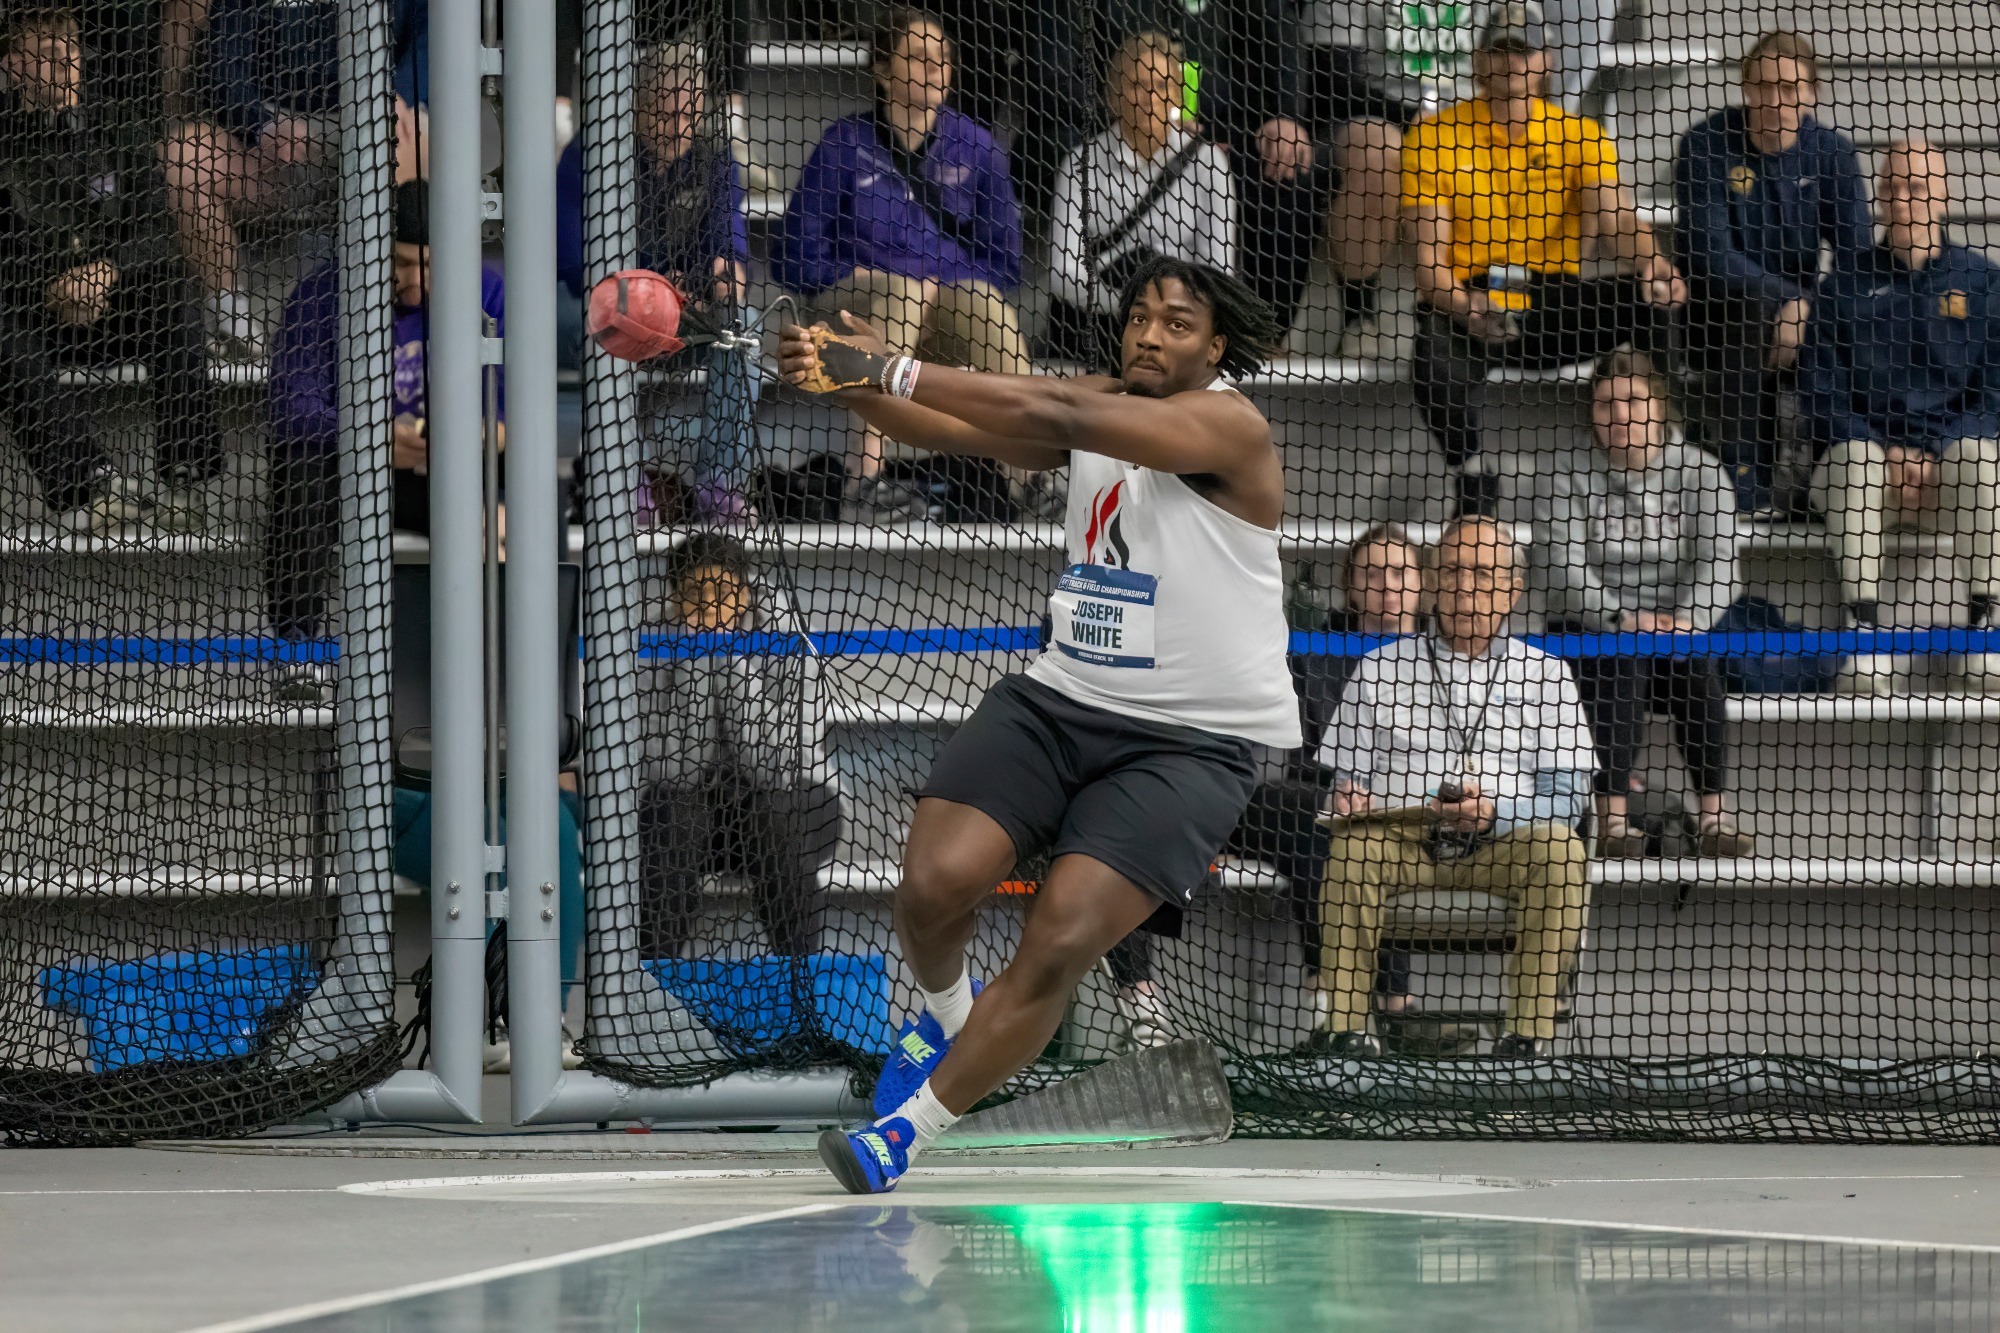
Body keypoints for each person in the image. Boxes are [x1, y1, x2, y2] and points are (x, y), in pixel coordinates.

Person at [778, 255, 1295, 1192]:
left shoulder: (1229, 427)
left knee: (1058, 938)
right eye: (1139, 317)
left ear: (1216, 347)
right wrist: (846, 385)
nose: (1149, 334)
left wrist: (889, 364)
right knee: (931, 885)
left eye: (1177, 323)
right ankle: (949, 1016)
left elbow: (1049, 409)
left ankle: (903, 1135)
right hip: (1063, 700)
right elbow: (956, 428)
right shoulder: (1098, 400)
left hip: (1189, 742)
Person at [1307, 516, 1594, 1058]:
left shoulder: (1548, 674)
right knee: (1350, 848)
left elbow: (1567, 802)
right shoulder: (1377, 668)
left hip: (1502, 845)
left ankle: (1526, 1037)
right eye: (1452, 571)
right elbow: (1347, 778)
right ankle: (1345, 1030)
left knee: (1562, 851)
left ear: (1512, 591)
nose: (1465, 587)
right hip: (1404, 840)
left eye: (1483, 574)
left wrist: (1496, 814)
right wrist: (1347, 796)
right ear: (1433, 584)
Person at [1404, 3, 1683, 516]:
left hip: (1553, 306)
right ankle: (1473, 475)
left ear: (1546, 60)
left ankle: (1672, 457)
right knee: (1431, 359)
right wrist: (1465, 307)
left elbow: (1618, 221)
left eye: (1524, 51)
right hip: (1475, 303)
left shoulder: (1581, 136)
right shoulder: (1432, 136)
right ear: (1479, 61)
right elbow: (1429, 267)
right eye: (1500, 51)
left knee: (1656, 298)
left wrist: (1652, 262)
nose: (1512, 62)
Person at [772, 8, 1028, 521]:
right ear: (883, 70)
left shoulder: (977, 148)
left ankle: (1023, 479)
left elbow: (1006, 264)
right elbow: (791, 258)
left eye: (943, 59)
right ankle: (864, 477)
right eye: (917, 57)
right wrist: (854, 274)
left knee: (987, 304)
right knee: (901, 293)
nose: (934, 68)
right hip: (849, 311)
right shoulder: (844, 143)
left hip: (946, 304)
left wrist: (939, 285)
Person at [1520, 349, 1754, 857]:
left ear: (1660, 406)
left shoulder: (1703, 472)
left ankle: (1713, 819)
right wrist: (1620, 618)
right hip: (1589, 631)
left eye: (1633, 401)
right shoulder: (1563, 472)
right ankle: (1613, 822)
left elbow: (1721, 565)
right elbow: (1560, 565)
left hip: (1675, 627)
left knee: (1698, 666)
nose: (1620, 415)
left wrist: (1687, 621)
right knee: (1620, 661)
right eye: (1606, 404)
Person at [0, 7, 220, 533]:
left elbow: (156, 226)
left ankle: (184, 479)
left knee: (176, 293)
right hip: (37, 319)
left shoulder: (118, 123)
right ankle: (91, 486)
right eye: (48, 53)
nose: (66, 63)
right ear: (11, 67)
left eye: (72, 50)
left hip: (117, 308)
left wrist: (106, 272)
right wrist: (48, 291)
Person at [265, 181, 505, 646]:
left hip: (447, 472)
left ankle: (498, 655)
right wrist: (372, 438)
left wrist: (455, 439)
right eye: (400, 263)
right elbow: (292, 410)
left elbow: (512, 417)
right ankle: (296, 650)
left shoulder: (488, 292)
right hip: (350, 472)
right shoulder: (322, 294)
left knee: (514, 504)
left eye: (430, 265)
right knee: (298, 472)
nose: (415, 279)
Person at [1802, 139, 2000, 695]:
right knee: (1856, 458)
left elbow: (1993, 399)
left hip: (1946, 483)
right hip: (1864, 478)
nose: (1903, 199)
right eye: (1891, 187)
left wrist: (1934, 454)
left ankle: (1984, 630)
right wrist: (1886, 451)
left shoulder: (1984, 283)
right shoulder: (1842, 285)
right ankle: (1864, 635)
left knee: (1980, 458)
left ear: (1943, 196)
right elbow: (1822, 394)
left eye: (1917, 187)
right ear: (1879, 200)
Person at [557, 42, 756, 523]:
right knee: (603, 322)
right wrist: (649, 290)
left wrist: (723, 278)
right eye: (665, 114)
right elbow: (571, 260)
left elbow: (727, 244)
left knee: (743, 328)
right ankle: (625, 481)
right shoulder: (591, 154)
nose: (678, 128)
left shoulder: (715, 159)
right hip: (606, 305)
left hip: (687, 312)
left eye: (689, 115)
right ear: (637, 108)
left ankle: (718, 485)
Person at [1675, 30, 1871, 514]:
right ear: (1746, 89)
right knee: (1752, 309)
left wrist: (1810, 308)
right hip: (1711, 314)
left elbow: (1857, 260)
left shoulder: (1832, 155)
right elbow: (1712, 256)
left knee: (1861, 322)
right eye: (1763, 87)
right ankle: (1744, 487)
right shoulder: (1705, 145)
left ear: (1812, 94)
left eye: (1789, 88)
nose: (1775, 102)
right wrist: (1793, 300)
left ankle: (1824, 489)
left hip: (1803, 315)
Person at [636, 534, 839, 960]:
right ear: (674, 599)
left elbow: (776, 769)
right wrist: (696, 660)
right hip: (691, 806)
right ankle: (652, 980)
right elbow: (672, 773)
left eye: (723, 593)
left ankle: (802, 976)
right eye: (695, 593)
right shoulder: (648, 642)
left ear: (745, 595)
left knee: (774, 818)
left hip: (795, 797)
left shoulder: (790, 635)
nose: (710, 606)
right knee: (672, 818)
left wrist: (728, 659)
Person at [1044, 30, 1235, 371]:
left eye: (1162, 86)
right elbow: (1063, 272)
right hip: (1099, 321)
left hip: (1178, 321)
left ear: (1177, 96)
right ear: (1114, 95)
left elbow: (1218, 269)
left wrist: (1168, 311)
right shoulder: (1080, 163)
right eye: (1137, 85)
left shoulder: (1208, 163)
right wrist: (1132, 308)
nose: (1150, 97)